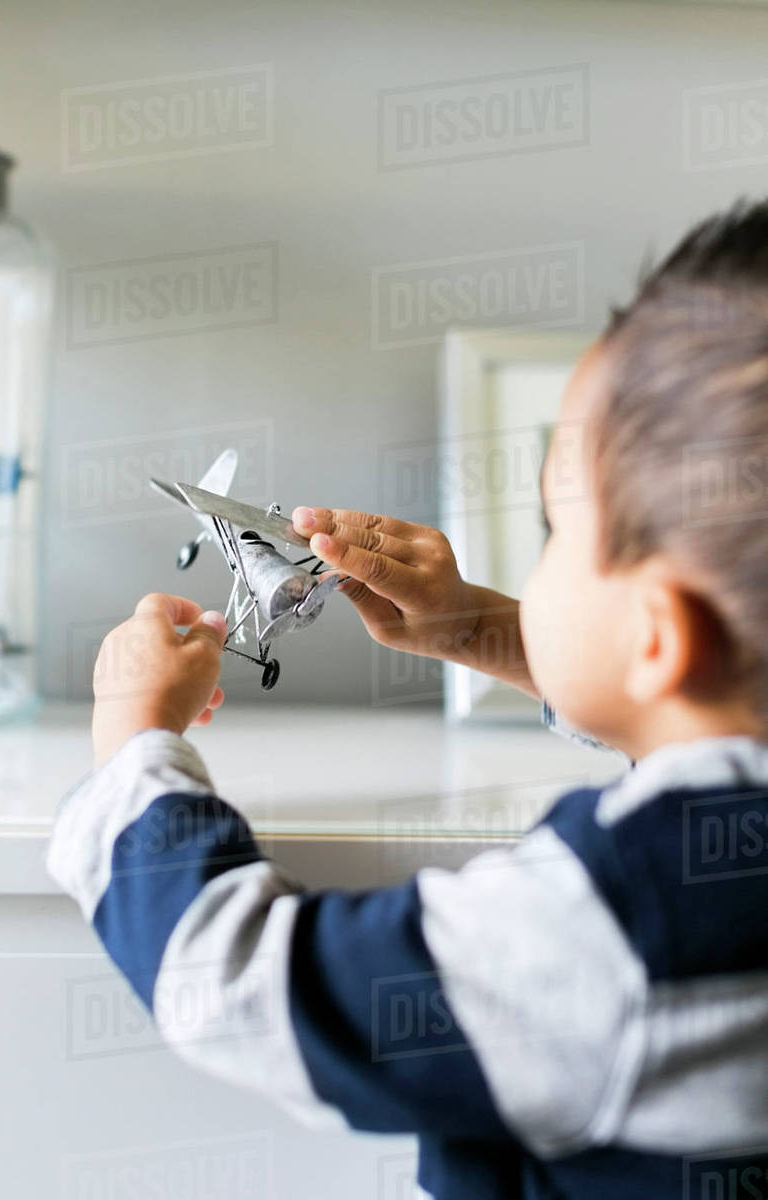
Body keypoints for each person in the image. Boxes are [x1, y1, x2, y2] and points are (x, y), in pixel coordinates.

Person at [48, 201, 768, 1199]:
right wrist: (480, 630)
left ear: (656, 635)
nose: (543, 557)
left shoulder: (626, 929)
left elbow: (242, 982)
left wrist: (134, 747)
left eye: (557, 530)